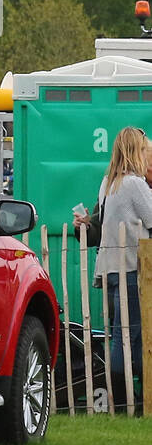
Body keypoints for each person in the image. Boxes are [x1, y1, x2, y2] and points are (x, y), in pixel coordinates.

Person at [74, 126, 152, 401]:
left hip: (110, 268)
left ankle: (134, 396)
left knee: (124, 333)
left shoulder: (108, 182)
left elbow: (102, 223)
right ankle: (121, 398)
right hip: (131, 266)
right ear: (136, 152)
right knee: (128, 335)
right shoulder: (135, 184)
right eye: (145, 150)